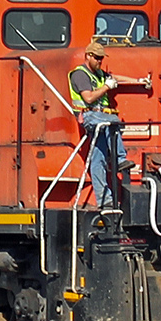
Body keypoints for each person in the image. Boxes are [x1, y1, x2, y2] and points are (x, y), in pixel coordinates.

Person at [68, 38, 146, 213]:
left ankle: (105, 200)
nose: (100, 61)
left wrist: (138, 80)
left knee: (97, 159)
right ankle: (119, 159)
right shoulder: (80, 74)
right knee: (113, 123)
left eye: (102, 58)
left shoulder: (99, 74)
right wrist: (106, 87)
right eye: (97, 58)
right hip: (89, 115)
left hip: (101, 117)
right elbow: (88, 98)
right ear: (88, 56)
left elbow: (116, 78)